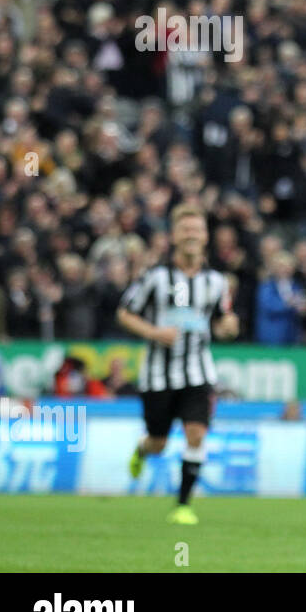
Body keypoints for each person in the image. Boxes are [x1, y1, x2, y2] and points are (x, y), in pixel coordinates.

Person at [117, 204, 240, 524]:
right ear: (173, 236)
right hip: (158, 375)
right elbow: (125, 312)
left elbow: (223, 319)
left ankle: (183, 505)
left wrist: (228, 327)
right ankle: (143, 450)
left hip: (198, 371)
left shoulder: (216, 282)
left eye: (196, 229)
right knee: (158, 442)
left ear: (205, 237)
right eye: (185, 229)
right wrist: (154, 332)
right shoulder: (155, 277)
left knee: (196, 434)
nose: (191, 235)